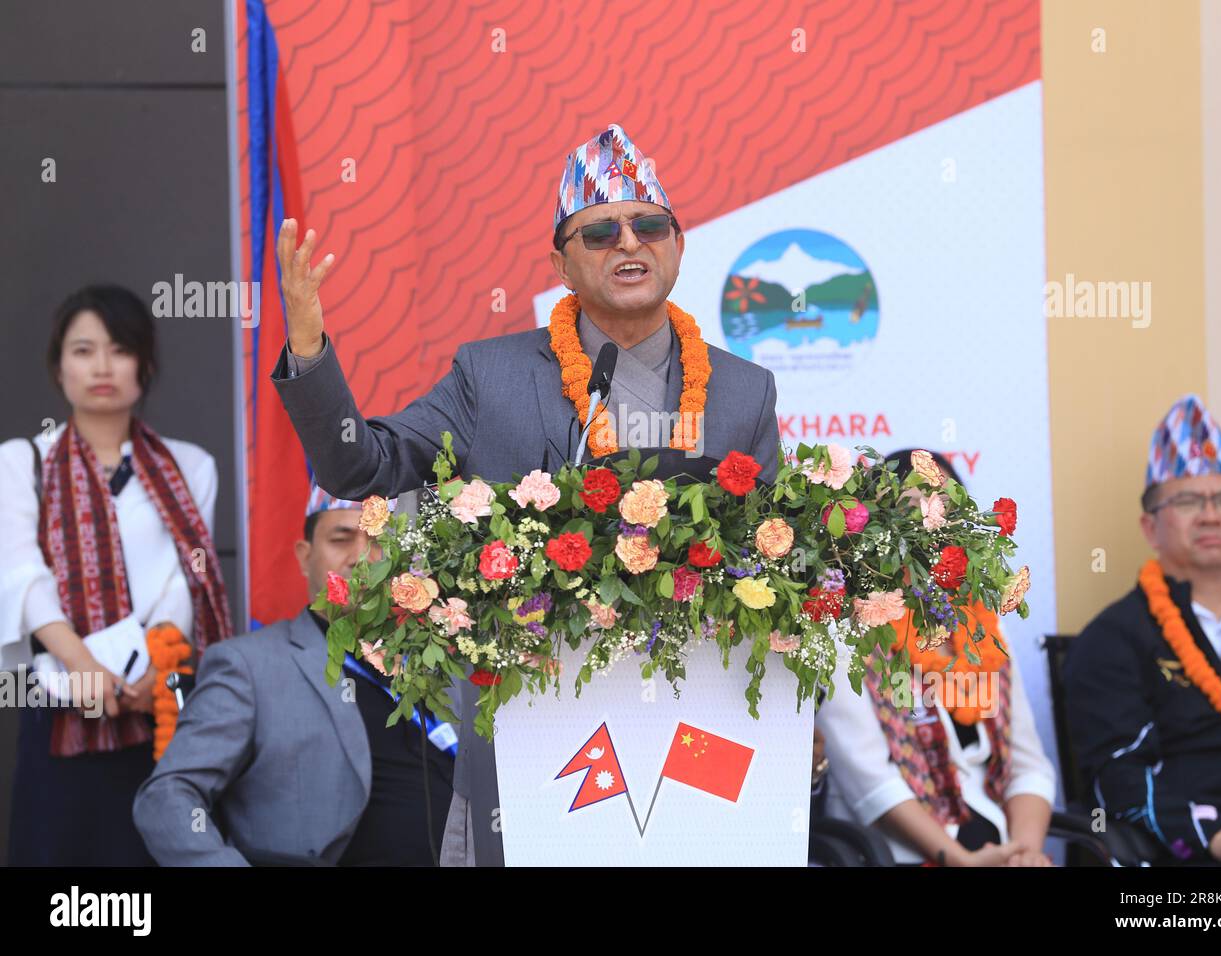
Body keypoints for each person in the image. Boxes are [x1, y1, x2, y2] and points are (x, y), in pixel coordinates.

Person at [268, 123, 782, 866]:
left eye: (649, 225)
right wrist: (311, 349)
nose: (628, 242)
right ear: (561, 263)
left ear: (677, 242)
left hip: (689, 744)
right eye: (601, 230)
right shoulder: (492, 376)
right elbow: (363, 469)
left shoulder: (743, 391)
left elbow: (771, 568)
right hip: (532, 748)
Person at [0, 284, 231, 865]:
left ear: (144, 365)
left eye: (120, 348)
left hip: (159, 705)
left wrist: (155, 668)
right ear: (59, 367)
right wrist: (84, 667)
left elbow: (189, 578)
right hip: (62, 709)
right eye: (83, 350)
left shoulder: (190, 466)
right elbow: (21, 575)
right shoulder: (21, 462)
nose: (102, 366)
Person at [134, 483, 459, 865]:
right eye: (341, 539)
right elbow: (167, 796)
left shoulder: (444, 661)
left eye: (377, 542)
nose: (360, 557)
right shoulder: (249, 666)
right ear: (305, 557)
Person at [1066, 395, 1221, 866]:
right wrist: (1218, 834)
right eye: (1189, 500)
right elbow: (1116, 777)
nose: (1211, 514)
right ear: (1150, 528)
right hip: (1197, 853)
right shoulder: (1112, 640)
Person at [817, 449, 1056, 866]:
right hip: (895, 852)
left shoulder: (984, 625)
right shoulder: (846, 630)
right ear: (876, 527)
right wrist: (959, 860)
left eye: (946, 507)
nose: (933, 524)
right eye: (915, 508)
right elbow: (869, 781)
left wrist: (1027, 854)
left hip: (998, 840)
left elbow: (1028, 764)